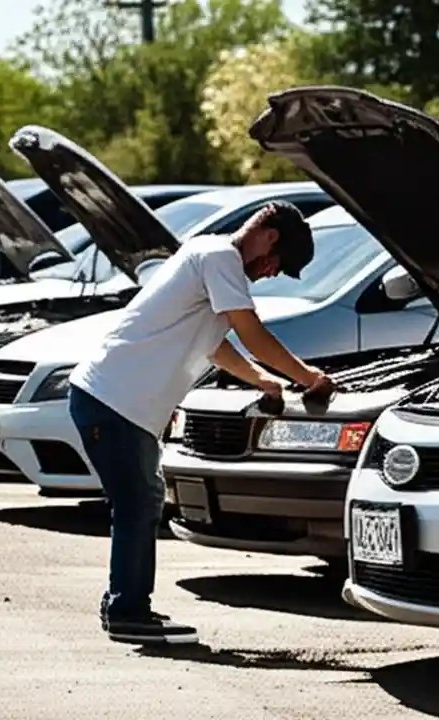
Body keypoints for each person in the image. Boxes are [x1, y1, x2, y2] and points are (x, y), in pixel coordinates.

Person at [67, 200, 335, 645]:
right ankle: (128, 611)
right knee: (138, 504)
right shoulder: (220, 257)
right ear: (268, 236)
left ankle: (124, 603)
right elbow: (252, 333)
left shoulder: (209, 259)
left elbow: (216, 344)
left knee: (141, 502)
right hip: (112, 401)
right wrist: (307, 377)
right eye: (277, 264)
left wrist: (263, 381)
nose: (270, 273)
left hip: (116, 404)